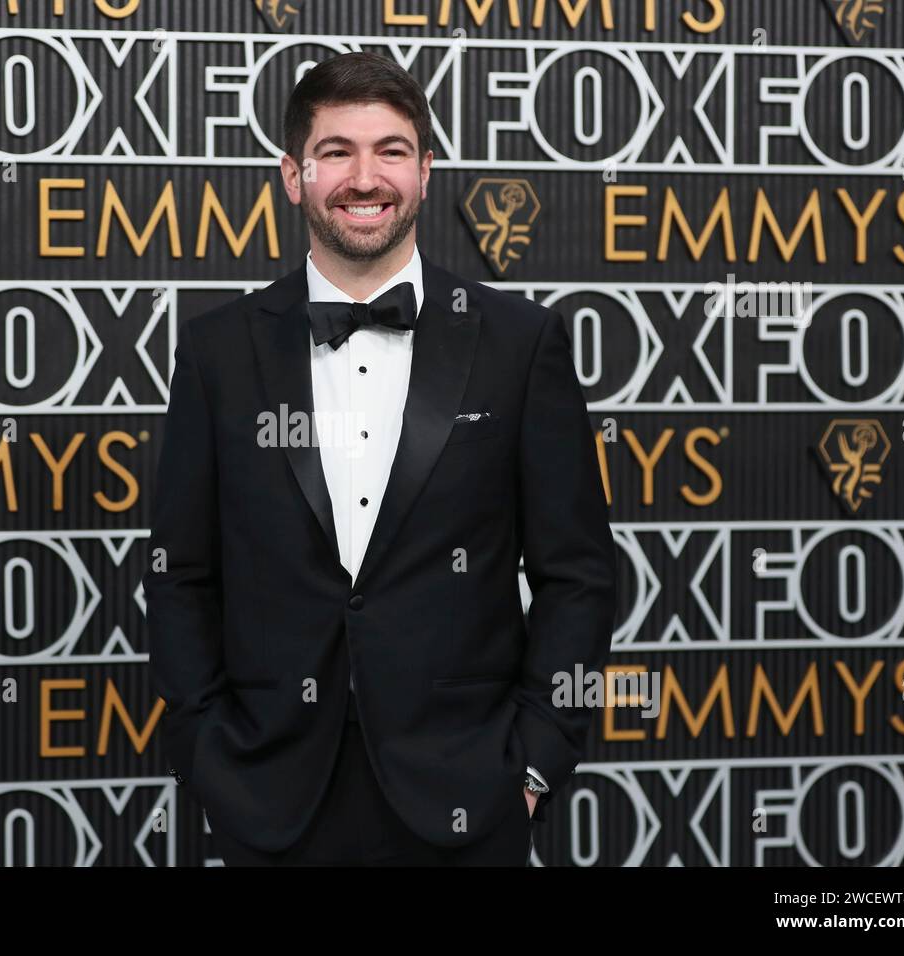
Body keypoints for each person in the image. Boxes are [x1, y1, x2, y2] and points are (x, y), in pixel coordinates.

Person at [144, 51, 617, 866]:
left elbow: (578, 570)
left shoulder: (518, 343)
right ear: (293, 176)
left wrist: (536, 760)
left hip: (470, 791)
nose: (366, 178)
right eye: (336, 152)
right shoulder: (218, 351)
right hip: (271, 797)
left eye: (391, 150)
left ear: (427, 172)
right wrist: (205, 753)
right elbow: (181, 571)